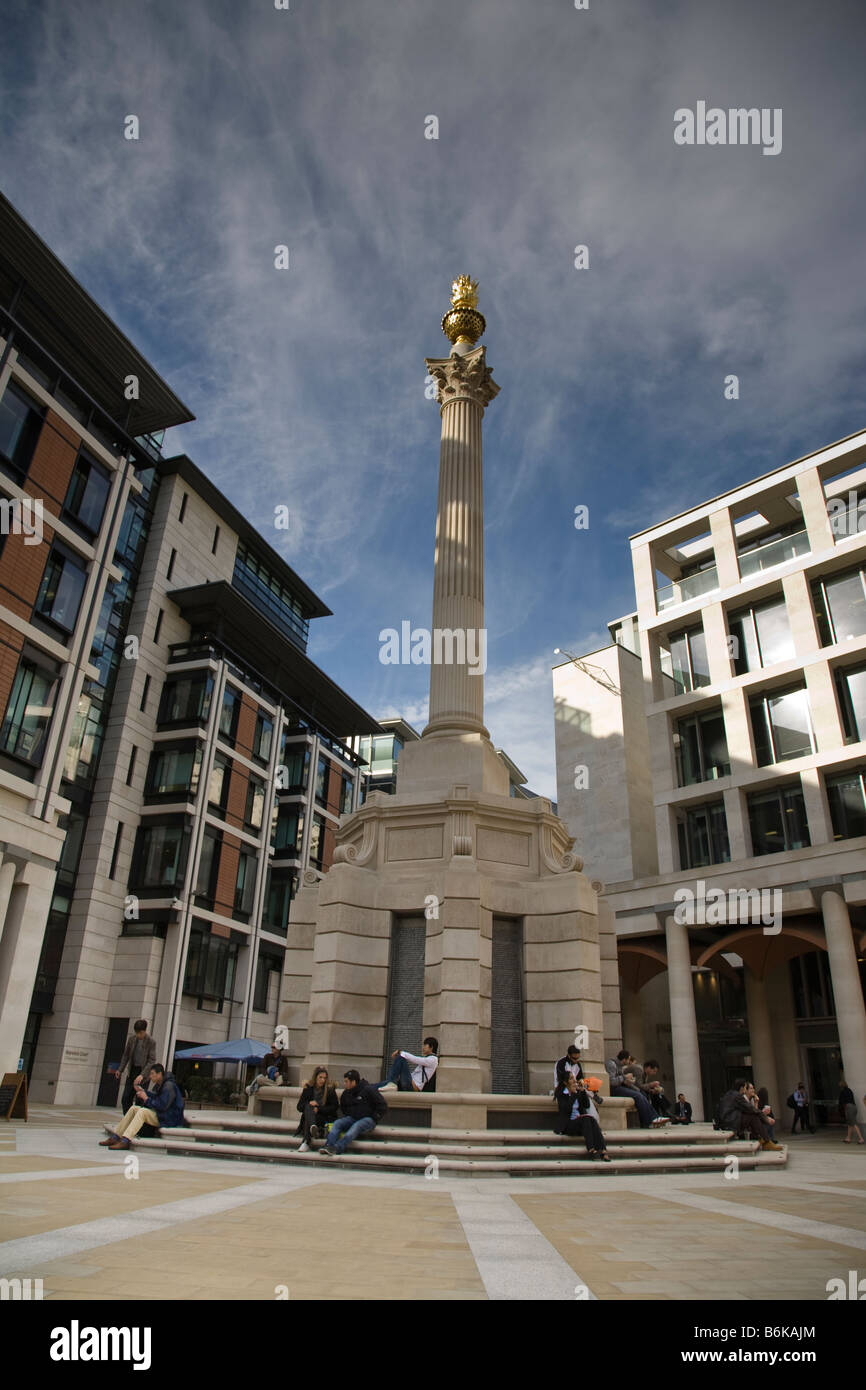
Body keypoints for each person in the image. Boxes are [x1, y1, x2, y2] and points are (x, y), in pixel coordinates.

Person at [100, 1064, 185, 1149]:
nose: (150, 1076)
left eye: (152, 1073)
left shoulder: (168, 1086)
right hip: (164, 1115)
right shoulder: (163, 1084)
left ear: (159, 1074)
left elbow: (162, 1106)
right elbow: (157, 1098)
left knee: (142, 1112)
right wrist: (143, 1091)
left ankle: (126, 1140)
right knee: (134, 1108)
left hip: (170, 1119)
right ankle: (116, 1137)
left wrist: (146, 1099)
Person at [319, 1070, 387, 1156]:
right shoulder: (346, 1093)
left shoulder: (368, 1089)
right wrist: (350, 1114)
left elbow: (383, 1105)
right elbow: (343, 1107)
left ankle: (337, 1148)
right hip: (353, 1118)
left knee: (356, 1126)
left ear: (353, 1081)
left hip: (368, 1119)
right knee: (338, 1123)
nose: (345, 1084)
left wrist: (375, 1117)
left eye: (346, 1081)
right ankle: (328, 1145)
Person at [605, 1050, 669, 1128]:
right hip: (614, 1089)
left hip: (619, 1087)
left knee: (639, 1094)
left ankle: (654, 1118)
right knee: (639, 1095)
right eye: (628, 1059)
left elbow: (622, 1080)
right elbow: (611, 1082)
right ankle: (651, 1120)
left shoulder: (620, 1066)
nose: (629, 1062)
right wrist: (625, 1077)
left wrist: (627, 1081)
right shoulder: (612, 1064)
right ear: (624, 1059)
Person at [718, 1079, 782, 1150]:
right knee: (753, 1116)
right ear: (742, 1088)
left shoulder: (730, 1094)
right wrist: (765, 1118)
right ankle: (766, 1141)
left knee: (752, 1115)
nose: (745, 1090)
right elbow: (750, 1108)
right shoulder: (737, 1096)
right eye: (745, 1087)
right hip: (730, 1122)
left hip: (727, 1121)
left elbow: (748, 1109)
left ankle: (761, 1139)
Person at [109, 1020, 157, 1113]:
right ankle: (128, 1118)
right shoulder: (132, 1039)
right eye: (137, 1033)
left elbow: (152, 1060)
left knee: (140, 1100)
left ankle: (136, 1122)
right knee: (125, 1098)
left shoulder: (151, 1042)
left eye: (140, 1033)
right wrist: (120, 1069)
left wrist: (142, 1075)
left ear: (144, 1031)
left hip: (143, 1074)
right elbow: (126, 1055)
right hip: (132, 1071)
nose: (138, 1035)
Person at [561, 1075, 611, 1161]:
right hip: (569, 1125)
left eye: (574, 1078)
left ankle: (603, 1149)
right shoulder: (562, 1094)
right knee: (586, 1118)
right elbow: (565, 1110)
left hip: (581, 1123)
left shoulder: (578, 1092)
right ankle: (591, 1149)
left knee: (591, 1119)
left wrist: (583, 1092)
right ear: (565, 1082)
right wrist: (573, 1095)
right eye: (571, 1078)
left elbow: (586, 1105)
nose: (574, 1080)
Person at [295, 1065, 339, 1152]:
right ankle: (313, 1127)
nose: (323, 1080)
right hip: (311, 1116)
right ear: (315, 1077)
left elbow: (334, 1107)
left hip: (324, 1117)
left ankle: (306, 1142)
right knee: (308, 1106)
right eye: (320, 1077)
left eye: (324, 1078)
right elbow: (299, 1107)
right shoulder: (308, 1088)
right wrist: (310, 1104)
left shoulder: (330, 1090)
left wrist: (318, 1108)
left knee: (308, 1116)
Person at [552, 1046, 584, 1133]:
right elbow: (561, 1080)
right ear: (569, 1056)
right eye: (574, 1058)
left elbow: (581, 1077)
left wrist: (581, 1083)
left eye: (578, 1058)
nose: (576, 1060)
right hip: (563, 1089)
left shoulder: (578, 1064)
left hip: (574, 1089)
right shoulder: (561, 1063)